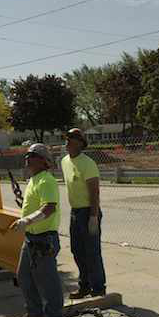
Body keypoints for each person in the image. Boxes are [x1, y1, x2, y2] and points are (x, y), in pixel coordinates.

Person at [9, 143, 64, 317]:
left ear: (43, 160)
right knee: (24, 276)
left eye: (32, 155)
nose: (28, 158)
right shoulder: (34, 180)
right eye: (27, 155)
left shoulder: (46, 180)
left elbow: (49, 207)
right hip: (32, 238)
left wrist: (28, 220)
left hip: (44, 239)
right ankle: (35, 313)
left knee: (48, 280)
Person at [61, 127, 107, 299]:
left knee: (92, 251)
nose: (67, 141)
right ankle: (84, 286)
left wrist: (93, 217)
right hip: (75, 212)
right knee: (77, 250)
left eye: (72, 138)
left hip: (89, 212)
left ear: (80, 143)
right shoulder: (65, 161)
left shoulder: (88, 164)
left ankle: (98, 287)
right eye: (67, 138)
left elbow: (94, 192)